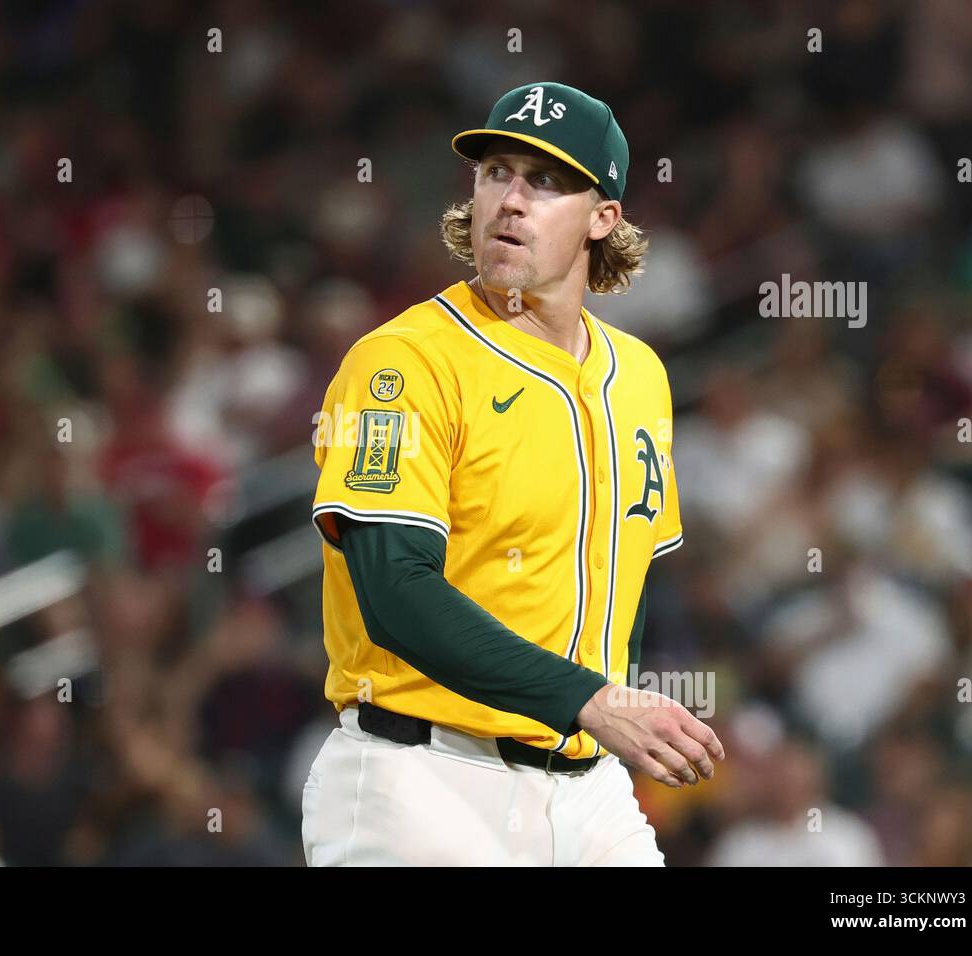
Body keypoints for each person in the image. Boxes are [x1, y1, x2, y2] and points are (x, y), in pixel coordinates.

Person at [302, 82, 724, 866]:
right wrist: (590, 700)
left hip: (588, 788)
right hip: (421, 777)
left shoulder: (640, 377)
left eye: (549, 181)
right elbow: (395, 594)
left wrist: (616, 712)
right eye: (498, 171)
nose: (512, 200)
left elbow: (622, 591)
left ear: (605, 217)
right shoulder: (404, 361)